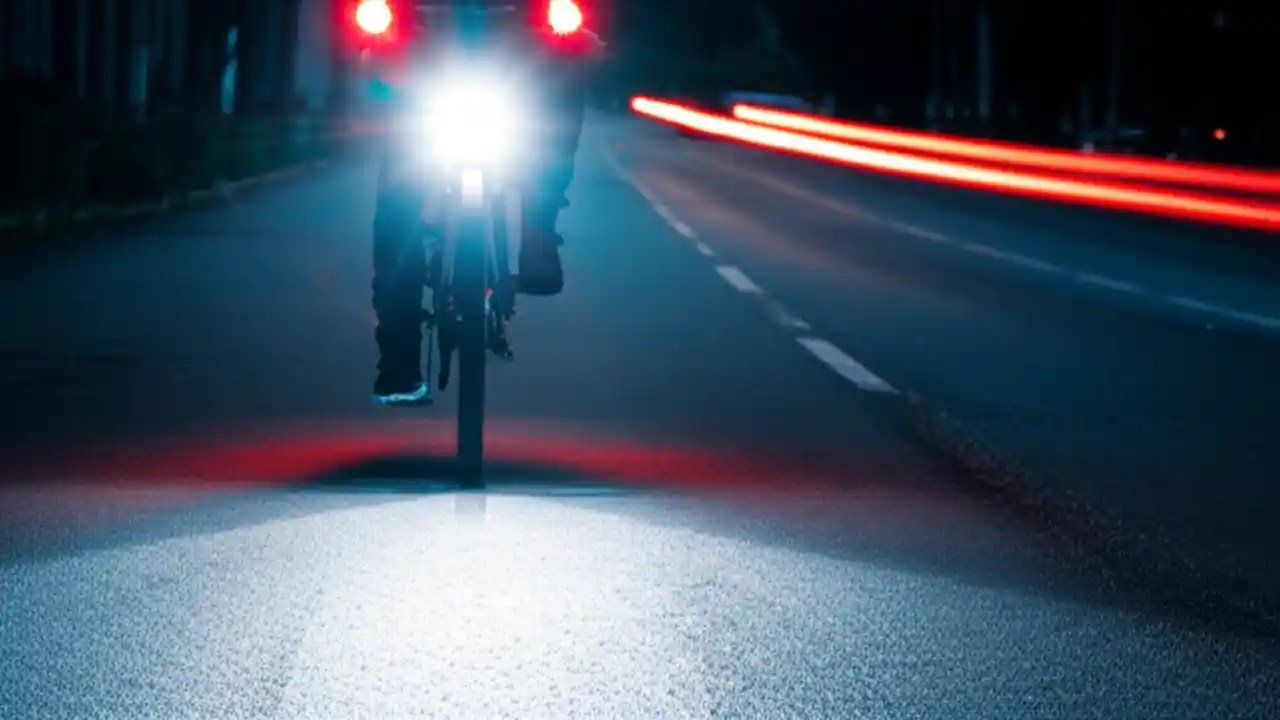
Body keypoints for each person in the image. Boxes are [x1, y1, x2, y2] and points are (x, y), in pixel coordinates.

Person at [371, 18, 603, 406]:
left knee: (568, 74)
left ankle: (539, 230)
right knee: (399, 198)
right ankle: (399, 361)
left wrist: (569, 26)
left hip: (517, 77)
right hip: (426, 78)